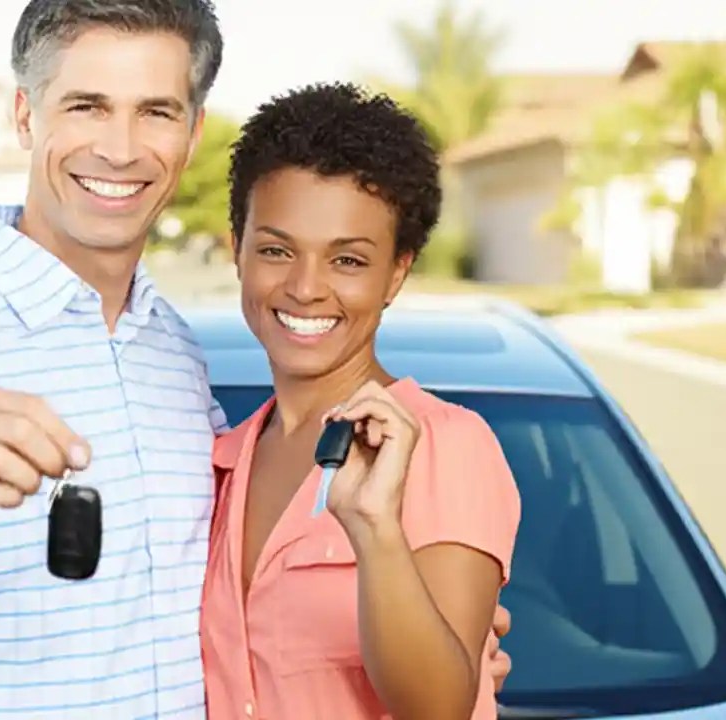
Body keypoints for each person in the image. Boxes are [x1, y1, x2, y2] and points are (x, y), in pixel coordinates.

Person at [0, 1, 513, 717]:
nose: (120, 148)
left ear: (192, 133)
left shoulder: (171, 351)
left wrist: (446, 645)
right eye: (87, 106)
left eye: (156, 112)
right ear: (24, 116)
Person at [199, 82, 522, 720]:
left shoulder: (444, 447)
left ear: (396, 273)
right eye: (276, 250)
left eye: (347, 260)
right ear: (237, 249)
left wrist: (376, 530)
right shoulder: (219, 466)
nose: (305, 288)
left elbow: (441, 709)